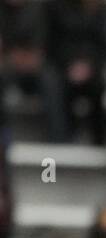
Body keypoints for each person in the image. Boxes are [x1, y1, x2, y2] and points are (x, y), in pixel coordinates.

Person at [47, 0, 106, 146]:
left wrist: (89, 66)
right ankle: (62, 139)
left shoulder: (100, 10)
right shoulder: (56, 7)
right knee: (56, 87)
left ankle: (99, 142)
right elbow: (53, 43)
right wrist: (70, 66)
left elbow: (103, 47)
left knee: (99, 87)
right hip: (64, 68)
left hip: (91, 69)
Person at [0, 0, 66, 142]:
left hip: (36, 65)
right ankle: (3, 139)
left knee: (52, 81)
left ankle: (58, 139)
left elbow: (48, 41)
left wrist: (34, 56)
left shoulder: (40, 8)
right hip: (8, 65)